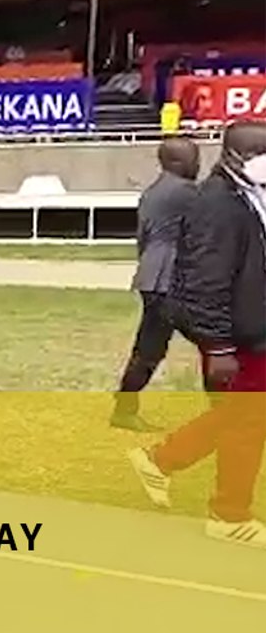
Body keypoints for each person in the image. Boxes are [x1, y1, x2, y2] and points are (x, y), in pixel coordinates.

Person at [129, 121, 266, 548]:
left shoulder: (248, 196)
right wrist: (219, 345)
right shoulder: (217, 204)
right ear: (236, 155)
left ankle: (163, 460)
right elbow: (205, 281)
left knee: (246, 417)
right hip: (239, 336)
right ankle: (226, 512)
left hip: (252, 327)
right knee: (246, 419)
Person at [112, 137, 201, 431]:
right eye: (194, 158)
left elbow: (143, 240)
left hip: (153, 277)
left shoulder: (151, 193)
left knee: (149, 345)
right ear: (177, 162)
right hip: (174, 279)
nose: (198, 164)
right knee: (220, 343)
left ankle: (124, 409)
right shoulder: (188, 193)